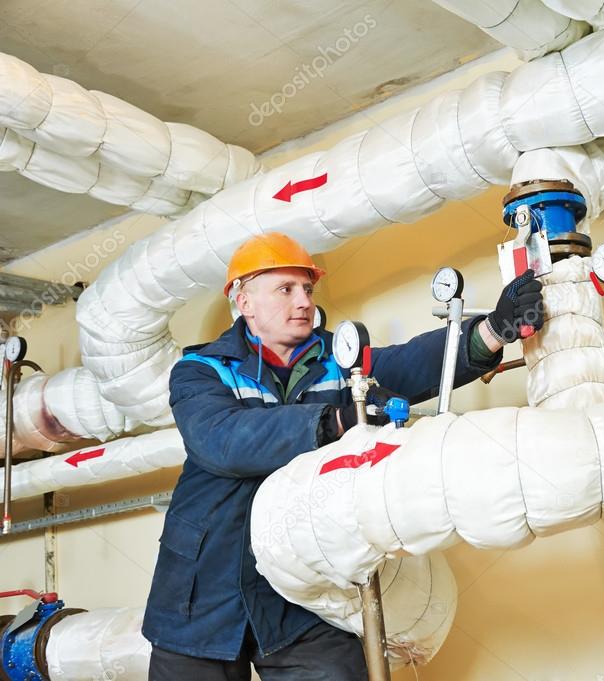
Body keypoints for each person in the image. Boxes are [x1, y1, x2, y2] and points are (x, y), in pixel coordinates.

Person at [142, 232, 544, 680]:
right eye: (285, 289)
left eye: (307, 290)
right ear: (244, 300)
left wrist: (490, 331)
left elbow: (412, 362)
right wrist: (330, 423)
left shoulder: (340, 358)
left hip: (306, 587)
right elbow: (221, 439)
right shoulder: (200, 369)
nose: (303, 302)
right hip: (203, 588)